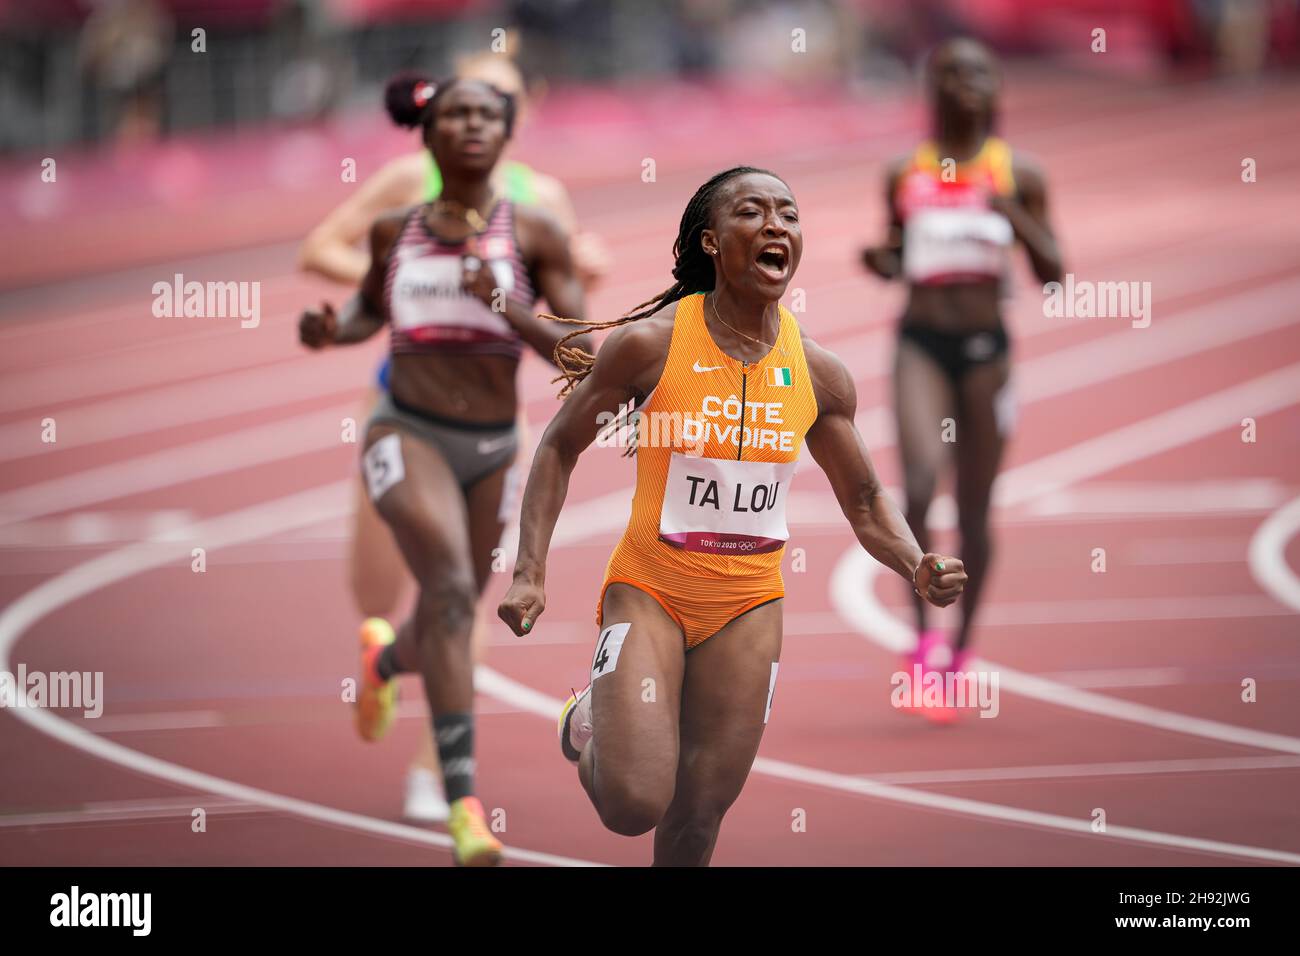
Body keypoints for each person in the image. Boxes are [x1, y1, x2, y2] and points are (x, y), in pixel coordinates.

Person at [498, 166, 967, 865]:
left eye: (789, 214)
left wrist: (916, 563)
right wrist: (529, 573)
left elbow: (866, 500)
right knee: (634, 804)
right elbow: (559, 446)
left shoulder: (818, 373)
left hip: (748, 605)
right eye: (753, 212)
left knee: (695, 819)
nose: (776, 225)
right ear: (712, 241)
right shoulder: (651, 346)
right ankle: (586, 717)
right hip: (652, 589)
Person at [298, 40, 608, 821]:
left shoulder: (543, 202)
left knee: (458, 595)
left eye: (497, 103)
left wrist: (567, 279)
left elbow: (568, 321)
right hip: (399, 410)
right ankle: (384, 656)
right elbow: (322, 248)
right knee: (376, 591)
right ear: (437, 114)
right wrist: (405, 284)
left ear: (518, 114)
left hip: (495, 421)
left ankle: (437, 768)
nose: (477, 118)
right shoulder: (409, 186)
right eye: (463, 102)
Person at [861, 38, 1061, 722]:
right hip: (920, 345)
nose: (966, 82)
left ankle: (962, 651)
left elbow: (1055, 273)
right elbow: (897, 253)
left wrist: (1013, 214)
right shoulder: (904, 171)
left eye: (980, 72)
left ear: (997, 87)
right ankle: (922, 641)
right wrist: (881, 260)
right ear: (934, 86)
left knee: (974, 510)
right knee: (918, 488)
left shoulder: (1018, 173)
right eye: (953, 72)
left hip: (986, 354)